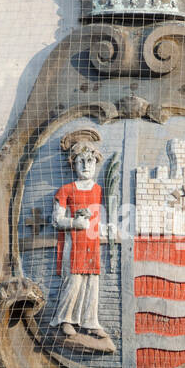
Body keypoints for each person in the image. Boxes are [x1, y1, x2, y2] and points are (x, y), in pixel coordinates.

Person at [50, 132, 114, 351]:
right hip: (73, 242)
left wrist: (107, 227)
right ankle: (64, 319)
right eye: (81, 161)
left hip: (92, 242)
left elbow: (101, 217)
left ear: (96, 163)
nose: (86, 165)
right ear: (73, 164)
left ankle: (90, 322)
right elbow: (56, 220)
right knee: (74, 281)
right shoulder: (66, 190)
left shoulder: (98, 190)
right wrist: (74, 223)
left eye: (90, 161)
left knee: (91, 282)